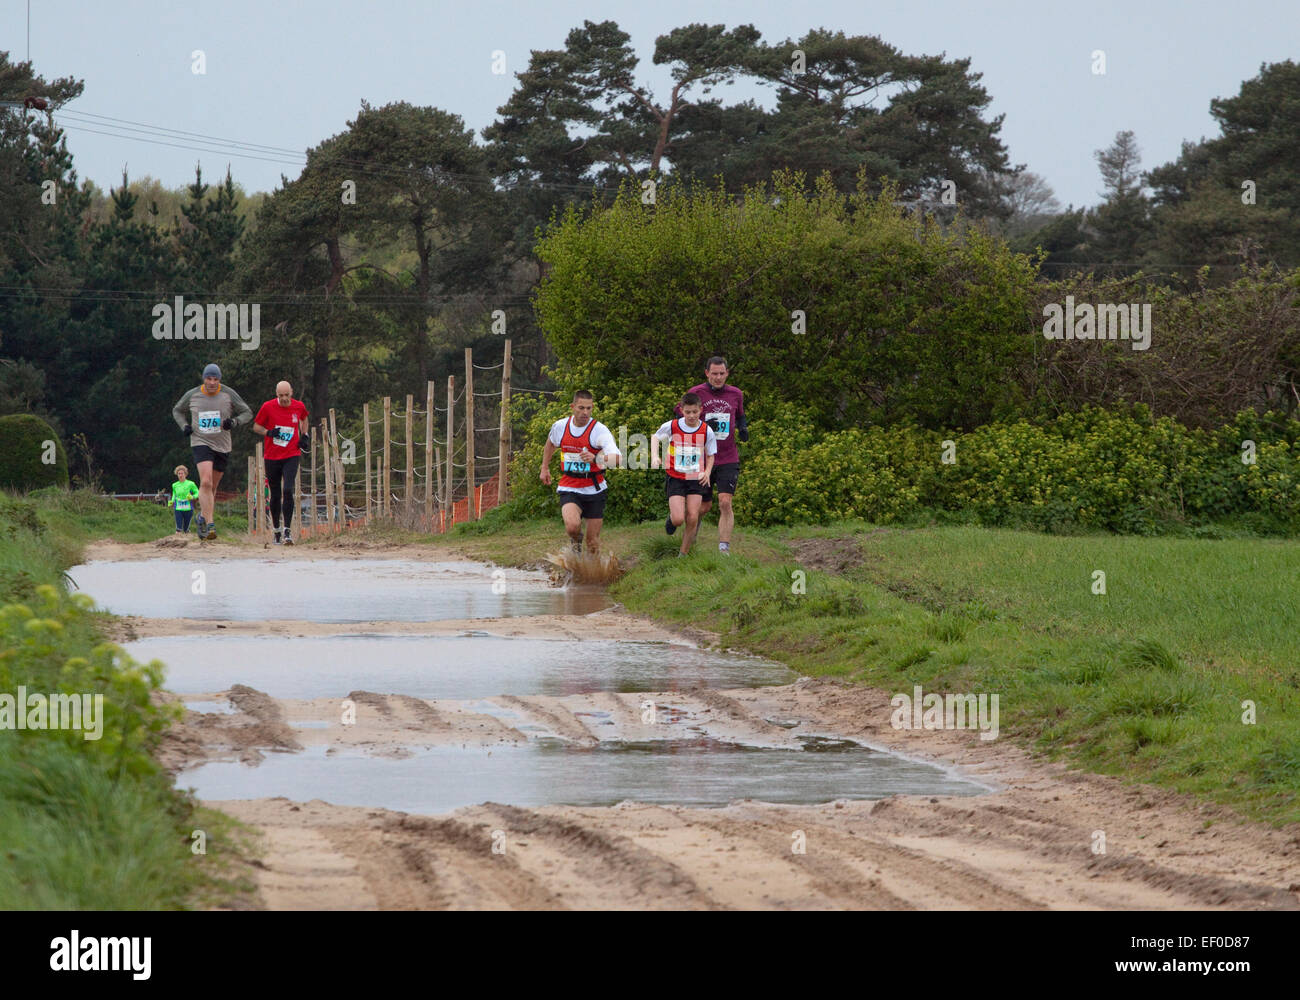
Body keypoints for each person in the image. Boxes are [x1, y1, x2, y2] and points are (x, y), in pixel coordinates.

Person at [672, 356, 746, 554]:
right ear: (707, 373)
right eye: (714, 373)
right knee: (702, 507)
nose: (718, 377)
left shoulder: (736, 393)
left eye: (722, 373)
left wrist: (743, 427)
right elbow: (679, 417)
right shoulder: (696, 393)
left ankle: (724, 548)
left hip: (728, 457)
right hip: (702, 458)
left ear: (727, 373)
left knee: (725, 501)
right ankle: (687, 533)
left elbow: (739, 415)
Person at [171, 363, 253, 540]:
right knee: (206, 481)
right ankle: (210, 524)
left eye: (216, 379)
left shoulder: (228, 393)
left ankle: (201, 517)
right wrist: (184, 425)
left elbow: (247, 412)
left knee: (212, 487)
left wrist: (234, 422)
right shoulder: (192, 395)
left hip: (222, 445)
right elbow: (177, 410)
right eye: (209, 378)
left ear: (220, 380)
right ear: (204, 378)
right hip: (200, 441)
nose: (212, 382)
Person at [540, 390, 622, 554]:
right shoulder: (560, 426)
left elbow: (617, 458)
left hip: (594, 487)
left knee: (592, 543)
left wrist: (595, 459)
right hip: (569, 486)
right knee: (572, 527)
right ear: (573, 407)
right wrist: (544, 468)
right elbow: (550, 443)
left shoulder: (599, 430)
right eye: (581, 408)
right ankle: (576, 540)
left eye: (589, 408)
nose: (585, 412)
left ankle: (591, 576)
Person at [653, 393, 717, 557]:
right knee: (678, 519)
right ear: (681, 410)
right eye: (688, 412)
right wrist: (655, 456)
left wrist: (707, 472)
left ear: (700, 410)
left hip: (695, 478)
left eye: (695, 412)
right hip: (675, 477)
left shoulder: (706, 430)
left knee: (693, 516)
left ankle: (683, 554)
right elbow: (655, 438)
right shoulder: (672, 426)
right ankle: (672, 518)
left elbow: (711, 455)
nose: (691, 416)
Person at [252, 380, 310, 545]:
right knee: (275, 494)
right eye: (281, 396)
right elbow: (256, 426)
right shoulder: (268, 407)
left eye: (287, 395)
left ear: (291, 392)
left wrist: (304, 435)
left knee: (288, 489)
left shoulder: (298, 406)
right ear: (276, 394)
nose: (284, 398)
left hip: (292, 454)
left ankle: (287, 531)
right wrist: (268, 432)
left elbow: (304, 418)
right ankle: (276, 529)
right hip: (272, 456)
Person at [168, 465, 200, 535]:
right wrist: (172, 501)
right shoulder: (174, 485)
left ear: (185, 474)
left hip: (188, 508)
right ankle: (176, 543)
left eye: (182, 473)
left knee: (186, 529)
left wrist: (192, 497)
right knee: (178, 529)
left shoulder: (191, 484)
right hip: (178, 508)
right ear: (177, 474)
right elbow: (174, 494)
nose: (180, 475)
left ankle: (188, 538)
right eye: (179, 473)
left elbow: (197, 492)